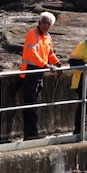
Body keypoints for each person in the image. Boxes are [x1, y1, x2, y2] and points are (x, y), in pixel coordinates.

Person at [17, 10, 58, 140]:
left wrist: (58, 63)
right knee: (31, 105)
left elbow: (50, 53)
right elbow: (31, 52)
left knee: (34, 104)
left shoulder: (48, 37)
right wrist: (45, 65)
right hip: (30, 73)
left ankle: (32, 132)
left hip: (39, 73)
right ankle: (31, 134)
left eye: (49, 24)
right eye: (44, 23)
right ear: (39, 22)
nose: (46, 25)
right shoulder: (32, 34)